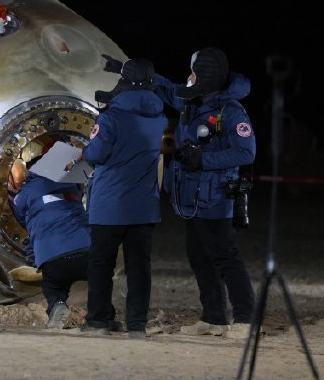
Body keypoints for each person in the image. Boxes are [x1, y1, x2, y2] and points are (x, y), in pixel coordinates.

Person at [153, 47, 256, 339]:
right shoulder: (192, 101)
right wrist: (135, 71)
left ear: (205, 75)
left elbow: (246, 152)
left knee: (225, 258)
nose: (189, 76)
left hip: (216, 198)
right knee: (199, 257)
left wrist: (204, 159)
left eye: (194, 71)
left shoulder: (230, 111)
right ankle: (214, 318)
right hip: (191, 198)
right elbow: (167, 89)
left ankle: (246, 319)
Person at [82, 57, 167, 338]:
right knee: (139, 267)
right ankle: (137, 325)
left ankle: (98, 322)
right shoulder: (159, 119)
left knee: (101, 265)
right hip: (144, 206)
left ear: (123, 82)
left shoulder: (111, 118)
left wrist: (87, 145)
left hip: (110, 205)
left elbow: (96, 154)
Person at [8, 157, 92, 329]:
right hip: (87, 250)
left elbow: (23, 222)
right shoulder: (72, 187)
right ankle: (103, 316)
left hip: (54, 256)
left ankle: (57, 306)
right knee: (99, 281)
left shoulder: (24, 194)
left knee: (53, 285)